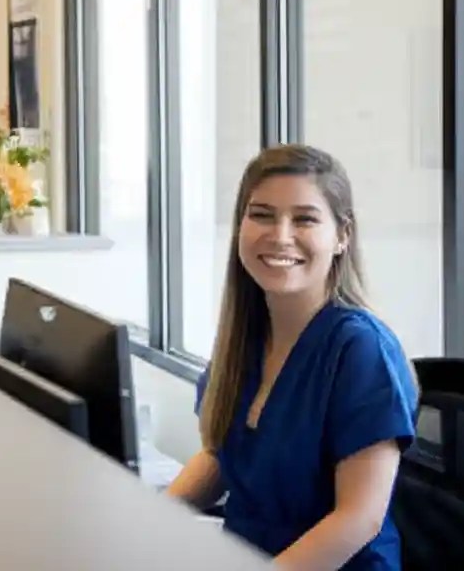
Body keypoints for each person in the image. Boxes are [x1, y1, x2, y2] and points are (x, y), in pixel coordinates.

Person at [166, 145, 418, 571]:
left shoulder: (360, 349)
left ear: (342, 236)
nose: (281, 235)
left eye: (304, 219)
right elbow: (221, 456)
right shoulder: (245, 337)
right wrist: (149, 518)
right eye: (262, 215)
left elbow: (359, 519)